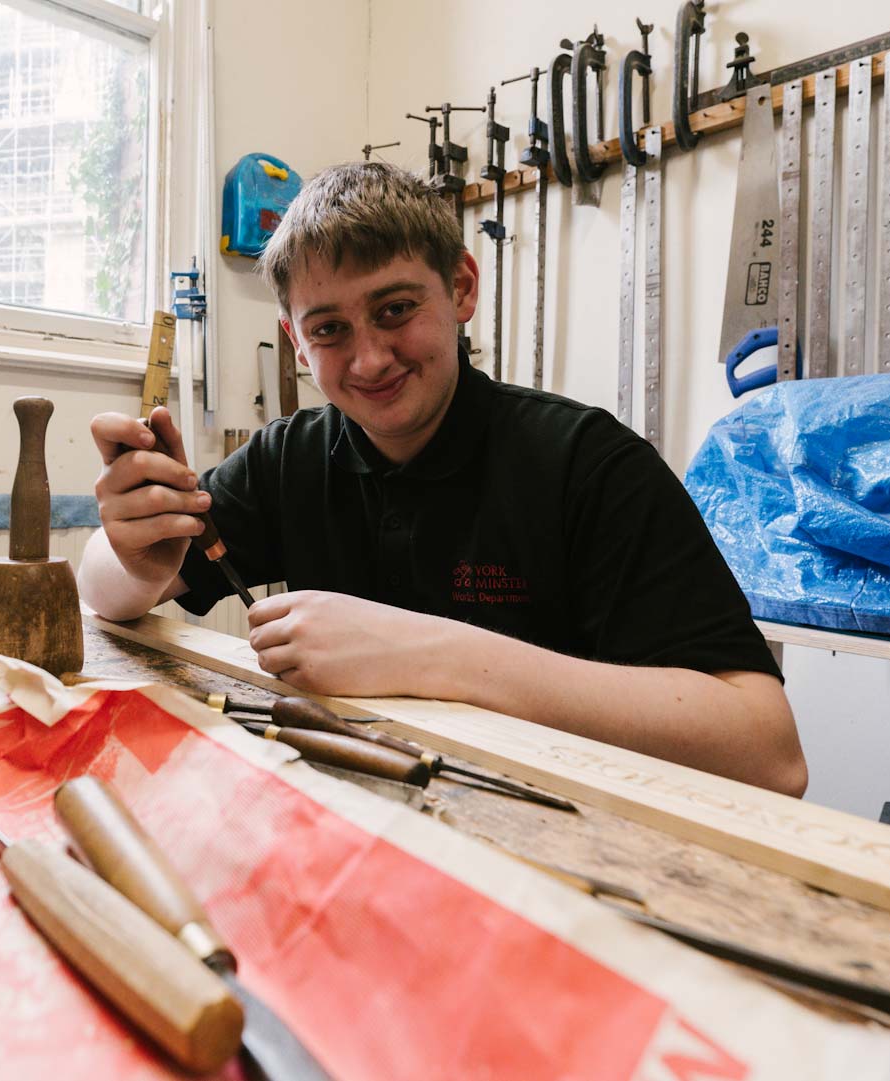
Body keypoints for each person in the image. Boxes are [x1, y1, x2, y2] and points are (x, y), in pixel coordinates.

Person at [78, 162, 805, 796]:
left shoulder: (589, 463)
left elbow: (767, 752)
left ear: (460, 288)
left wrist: (432, 654)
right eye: (329, 329)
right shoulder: (287, 458)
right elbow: (97, 591)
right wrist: (141, 560)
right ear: (296, 339)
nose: (368, 361)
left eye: (396, 310)